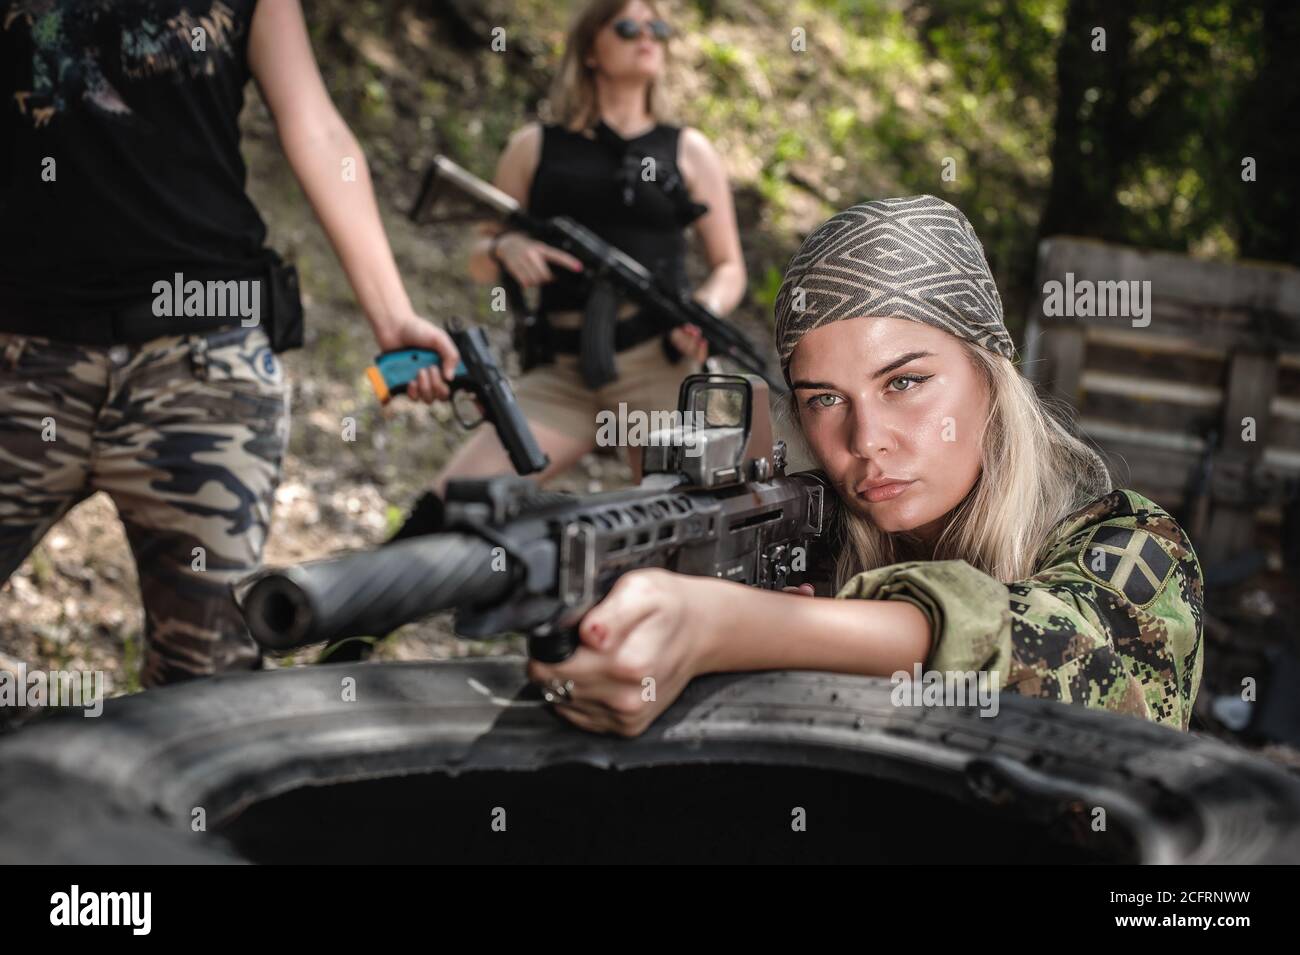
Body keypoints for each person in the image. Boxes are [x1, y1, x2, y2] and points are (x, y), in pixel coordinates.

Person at [528, 195, 1205, 736]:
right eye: (825, 398)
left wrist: (733, 628)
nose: (867, 438)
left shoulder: (1135, 544)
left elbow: (1069, 653)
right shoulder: (795, 526)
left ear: (991, 373)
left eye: (904, 382)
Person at [0, 0, 459, 686]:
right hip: (21, 358)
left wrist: (393, 317)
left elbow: (317, 128)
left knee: (206, 682)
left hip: (202, 368)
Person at [434, 0, 747, 493]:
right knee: (454, 504)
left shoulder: (688, 150)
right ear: (590, 50)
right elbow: (477, 258)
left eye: (656, 27)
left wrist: (701, 312)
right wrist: (505, 248)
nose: (646, 37)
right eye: (626, 26)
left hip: (659, 367)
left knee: (690, 511)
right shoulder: (534, 146)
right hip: (562, 374)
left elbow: (729, 266)